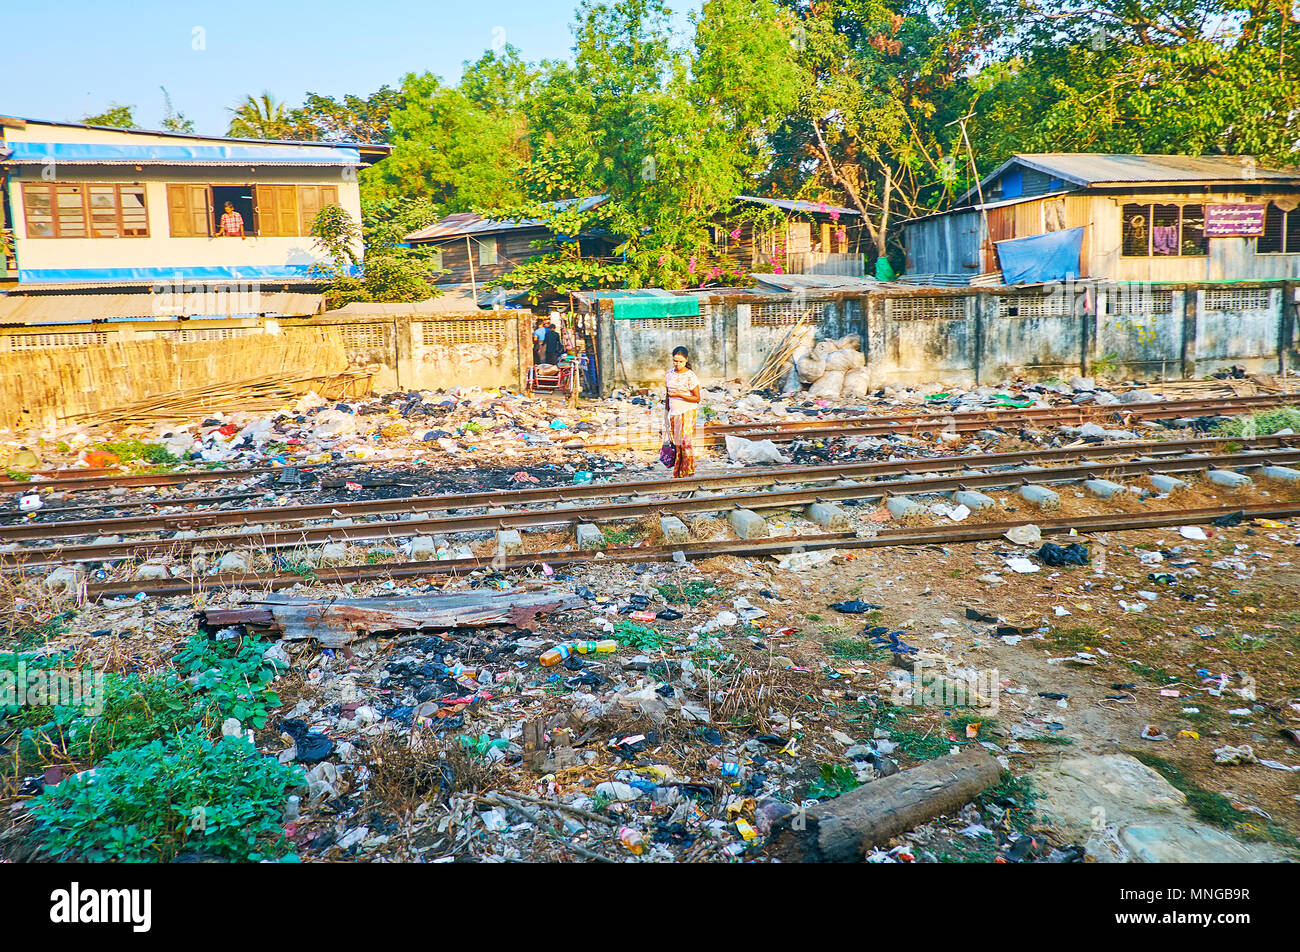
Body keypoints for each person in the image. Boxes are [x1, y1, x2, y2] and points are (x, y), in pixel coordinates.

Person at [664, 345, 701, 478]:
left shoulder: (690, 376)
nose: (678, 364)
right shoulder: (669, 374)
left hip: (687, 411)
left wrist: (680, 395)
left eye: (680, 361)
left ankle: (689, 471)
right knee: (678, 444)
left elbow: (697, 398)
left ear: (686, 360)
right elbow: (667, 395)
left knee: (686, 442)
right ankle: (679, 473)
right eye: (675, 361)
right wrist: (665, 414)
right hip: (674, 412)